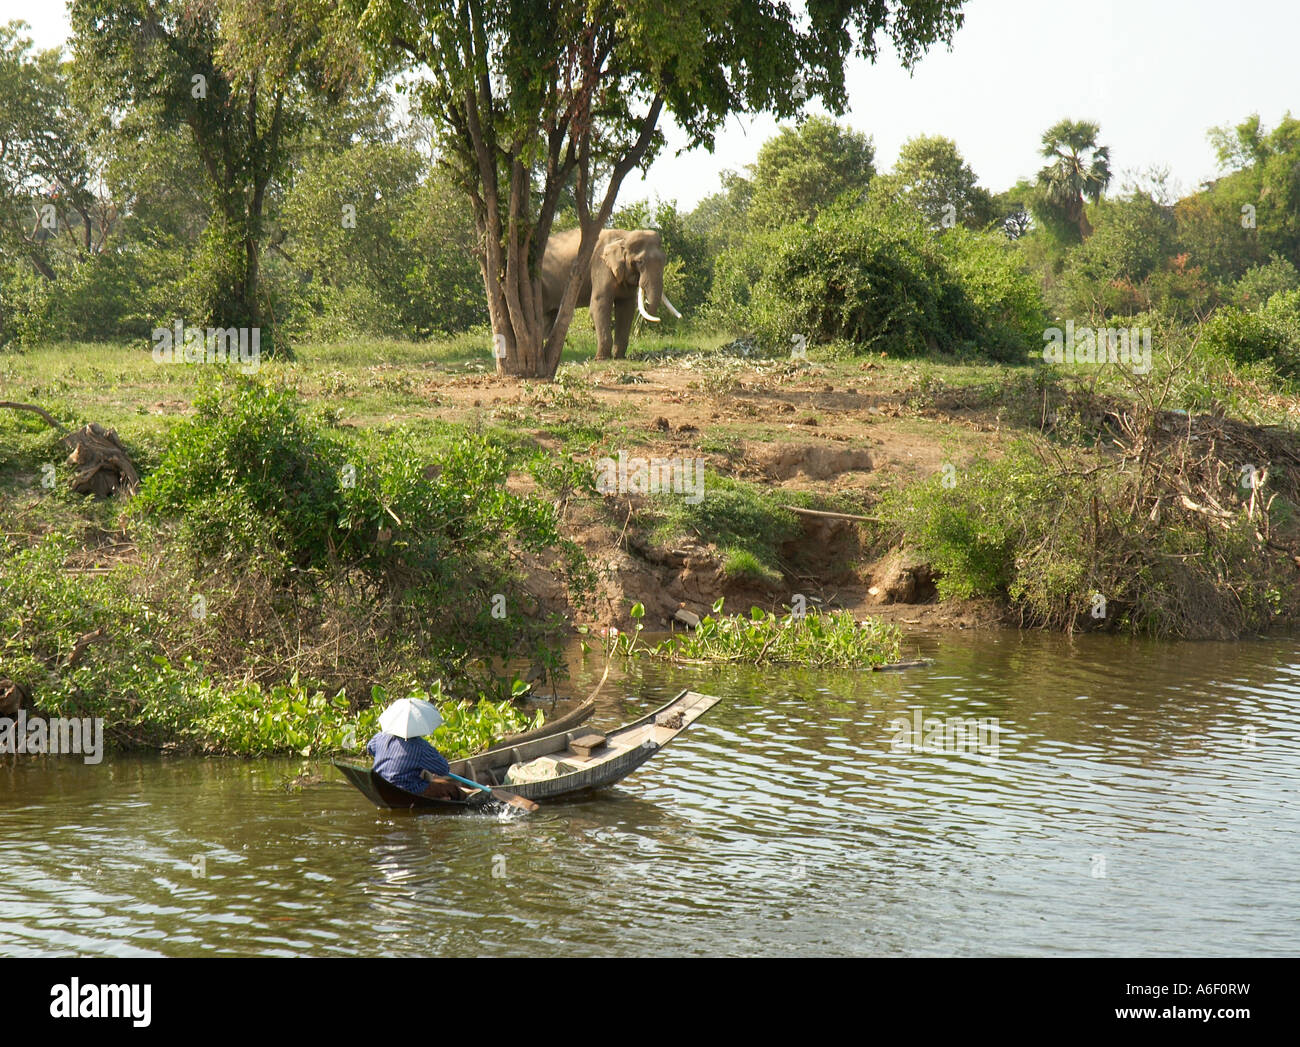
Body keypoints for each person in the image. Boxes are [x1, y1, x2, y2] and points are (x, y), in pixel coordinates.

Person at [366, 730, 461, 801]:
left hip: (380, 785)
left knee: (434, 782)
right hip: (406, 791)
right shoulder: (420, 746)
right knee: (451, 788)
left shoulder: (381, 736)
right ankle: (468, 794)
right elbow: (444, 769)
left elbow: (370, 747)